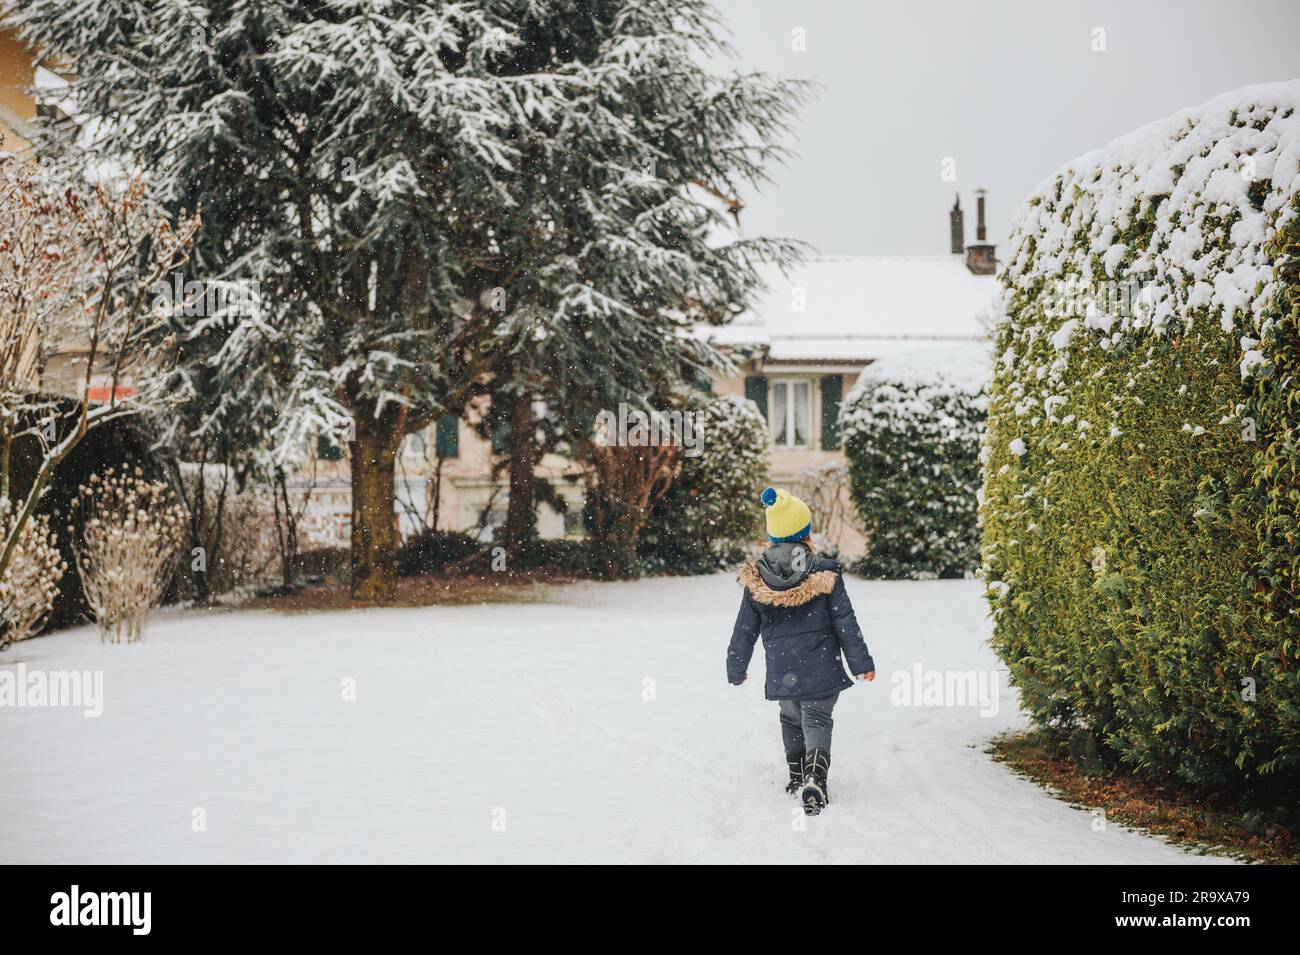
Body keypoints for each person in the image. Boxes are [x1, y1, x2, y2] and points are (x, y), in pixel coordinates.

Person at [727, 486, 876, 815]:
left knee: (791, 720)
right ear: (806, 533)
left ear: (771, 536)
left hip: (784, 670)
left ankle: (796, 778)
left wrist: (736, 667)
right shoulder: (825, 572)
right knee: (818, 720)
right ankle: (816, 780)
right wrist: (861, 662)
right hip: (822, 666)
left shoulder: (758, 578)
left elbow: (744, 629)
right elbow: (845, 623)